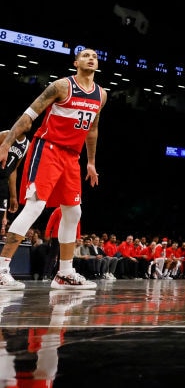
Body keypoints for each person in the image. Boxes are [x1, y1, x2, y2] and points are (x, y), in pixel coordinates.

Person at [0, 48, 106, 290]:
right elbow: (28, 116)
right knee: (35, 207)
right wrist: (6, 144)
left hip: (72, 157)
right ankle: (2, 268)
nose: (91, 58)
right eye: (86, 55)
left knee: (74, 212)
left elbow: (92, 129)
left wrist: (90, 162)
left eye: (94, 56)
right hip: (47, 148)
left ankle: (64, 273)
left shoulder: (101, 94)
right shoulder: (61, 86)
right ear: (76, 62)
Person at [0, 130, 28, 237]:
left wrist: (13, 196)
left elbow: (13, 170)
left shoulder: (27, 145)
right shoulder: (4, 135)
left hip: (3, 184)